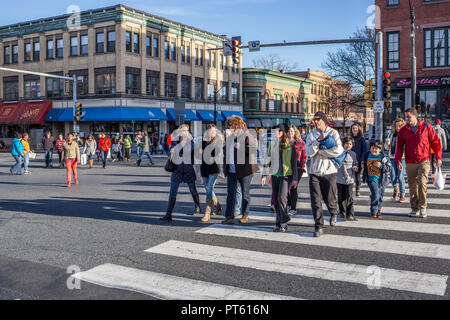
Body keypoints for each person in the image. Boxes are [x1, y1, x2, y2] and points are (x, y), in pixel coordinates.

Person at [396, 107, 442, 218]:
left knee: (422, 183)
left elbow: (436, 141)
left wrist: (438, 157)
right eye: (406, 117)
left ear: (415, 115)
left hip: (424, 160)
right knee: (412, 186)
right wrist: (398, 160)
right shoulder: (403, 130)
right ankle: (414, 208)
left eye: (409, 117)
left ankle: (423, 207)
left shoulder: (426, 127)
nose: (407, 119)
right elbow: (399, 146)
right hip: (410, 161)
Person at [305, 112, 344, 237]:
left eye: (318, 119)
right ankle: (318, 226)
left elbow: (337, 151)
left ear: (324, 120)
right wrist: (318, 141)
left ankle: (334, 212)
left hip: (329, 171)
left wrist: (321, 152)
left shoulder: (333, 133)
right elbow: (309, 152)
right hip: (314, 172)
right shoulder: (311, 135)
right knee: (315, 201)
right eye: (315, 120)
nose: (316, 122)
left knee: (330, 198)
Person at [160, 124, 202, 222]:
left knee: (193, 190)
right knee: (172, 192)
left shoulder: (192, 143)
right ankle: (168, 214)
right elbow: (168, 150)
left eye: (186, 130)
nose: (184, 132)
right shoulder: (174, 142)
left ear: (188, 132)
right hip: (177, 170)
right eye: (183, 130)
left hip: (188, 170)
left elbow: (197, 155)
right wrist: (171, 151)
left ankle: (197, 206)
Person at [262, 124, 298, 232]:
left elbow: (294, 163)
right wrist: (264, 175)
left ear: (282, 132)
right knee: (277, 202)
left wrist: (295, 178)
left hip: (286, 175)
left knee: (281, 199)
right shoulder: (272, 144)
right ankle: (278, 223)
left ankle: (283, 222)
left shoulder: (290, 144)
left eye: (278, 132)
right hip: (275, 175)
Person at [222, 116, 259, 225]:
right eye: (229, 126)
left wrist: (240, 146)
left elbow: (254, 148)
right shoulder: (229, 137)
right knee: (230, 194)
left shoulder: (247, 135)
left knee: (244, 193)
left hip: (245, 169)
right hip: (232, 170)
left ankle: (245, 214)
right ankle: (229, 217)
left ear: (236, 126)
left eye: (231, 126)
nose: (229, 127)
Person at [199, 125, 223, 223]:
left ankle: (207, 214)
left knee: (209, 189)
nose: (211, 133)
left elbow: (215, 153)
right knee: (208, 190)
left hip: (214, 168)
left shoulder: (218, 142)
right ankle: (217, 206)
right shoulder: (203, 141)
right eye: (209, 131)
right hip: (204, 168)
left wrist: (205, 152)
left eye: (213, 131)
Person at [363, 140, 392, 219]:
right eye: (372, 148)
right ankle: (374, 210)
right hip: (371, 179)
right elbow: (363, 164)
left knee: (380, 196)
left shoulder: (384, 157)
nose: (374, 150)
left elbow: (389, 168)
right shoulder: (367, 155)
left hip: (382, 180)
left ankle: (379, 209)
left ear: (380, 149)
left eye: (376, 149)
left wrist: (380, 166)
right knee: (376, 194)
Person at [337, 137, 358, 221]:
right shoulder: (339, 153)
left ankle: (350, 213)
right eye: (346, 143)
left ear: (352, 145)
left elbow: (355, 162)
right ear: (343, 144)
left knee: (349, 196)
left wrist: (355, 167)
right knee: (341, 197)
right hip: (339, 178)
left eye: (350, 144)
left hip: (350, 178)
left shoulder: (353, 154)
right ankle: (342, 212)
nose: (348, 145)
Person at [287, 125, 307, 216]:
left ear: (295, 132)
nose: (290, 133)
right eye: (288, 131)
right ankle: (288, 204)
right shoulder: (285, 142)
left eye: (291, 131)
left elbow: (304, 155)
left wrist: (302, 168)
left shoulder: (300, 142)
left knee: (293, 188)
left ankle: (293, 208)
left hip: (298, 168)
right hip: (287, 168)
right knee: (286, 188)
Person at [385, 119, 407, 202]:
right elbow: (387, 148)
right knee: (393, 176)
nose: (398, 127)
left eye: (400, 126)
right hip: (392, 157)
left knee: (400, 177)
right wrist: (388, 144)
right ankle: (395, 188)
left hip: (402, 158)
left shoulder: (405, 134)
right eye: (396, 126)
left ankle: (402, 194)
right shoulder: (391, 134)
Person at [350, 123, 367, 197]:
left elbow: (364, 151)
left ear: (359, 129)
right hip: (349, 160)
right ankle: (349, 190)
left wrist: (363, 161)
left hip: (359, 160)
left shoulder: (362, 139)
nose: (355, 129)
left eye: (356, 128)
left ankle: (357, 190)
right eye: (353, 128)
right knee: (348, 176)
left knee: (357, 176)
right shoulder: (349, 138)